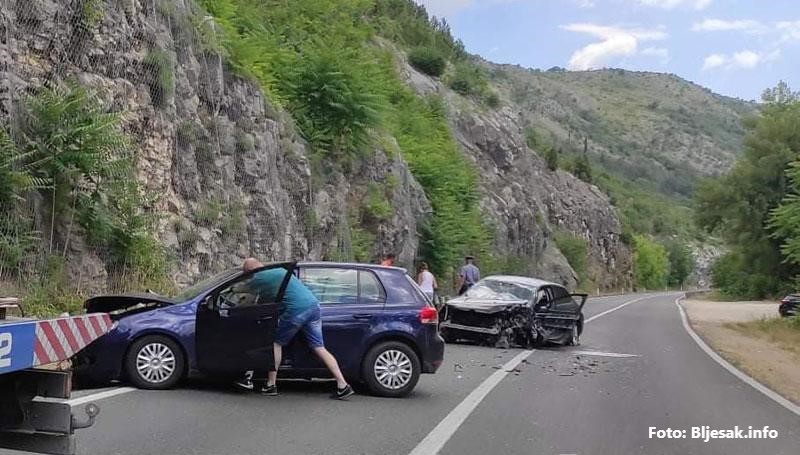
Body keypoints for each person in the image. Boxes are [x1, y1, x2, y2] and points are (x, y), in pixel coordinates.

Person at [234, 258, 354, 400]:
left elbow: (242, 290)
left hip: (296, 310)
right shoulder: (280, 270)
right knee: (319, 347)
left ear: (250, 271)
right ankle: (342, 385)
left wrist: (233, 289)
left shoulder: (258, 277)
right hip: (313, 306)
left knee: (276, 343)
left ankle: (270, 385)